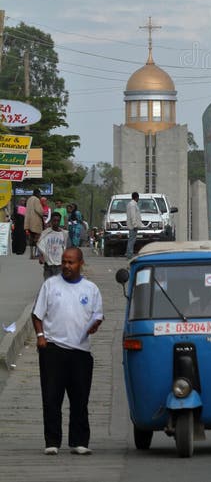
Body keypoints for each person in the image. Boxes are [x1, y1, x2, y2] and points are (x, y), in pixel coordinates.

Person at [32, 246, 103, 455]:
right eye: (64, 261)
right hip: (53, 348)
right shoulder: (50, 285)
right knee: (52, 397)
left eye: (71, 262)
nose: (66, 266)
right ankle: (52, 441)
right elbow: (37, 315)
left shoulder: (91, 289)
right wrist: (40, 337)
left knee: (80, 399)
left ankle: (79, 441)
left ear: (80, 264)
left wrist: (95, 324)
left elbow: (97, 315)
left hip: (80, 351)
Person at [37, 212, 69, 279]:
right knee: (48, 282)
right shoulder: (46, 233)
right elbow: (40, 245)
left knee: (58, 283)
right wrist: (40, 256)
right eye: (54, 220)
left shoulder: (64, 234)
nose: (56, 222)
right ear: (51, 221)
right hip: (48, 263)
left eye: (58, 221)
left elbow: (66, 248)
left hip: (59, 264)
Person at [24, 189, 45, 259]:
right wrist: (43, 213)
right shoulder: (36, 200)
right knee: (37, 238)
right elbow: (39, 210)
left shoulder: (29, 199)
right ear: (38, 194)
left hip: (29, 221)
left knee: (31, 238)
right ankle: (36, 255)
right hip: (35, 221)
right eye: (40, 194)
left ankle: (31, 254)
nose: (40, 196)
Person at [125, 191, 143, 259]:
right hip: (133, 226)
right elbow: (133, 216)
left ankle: (129, 254)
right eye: (138, 198)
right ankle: (129, 255)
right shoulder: (133, 205)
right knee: (131, 240)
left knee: (131, 240)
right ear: (136, 197)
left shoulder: (130, 204)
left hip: (131, 225)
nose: (138, 199)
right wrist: (135, 225)